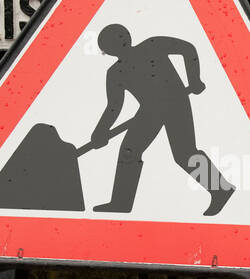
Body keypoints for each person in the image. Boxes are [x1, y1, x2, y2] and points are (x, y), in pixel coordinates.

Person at [88, 23, 235, 215]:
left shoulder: (152, 45)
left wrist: (194, 79)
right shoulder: (115, 73)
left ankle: (221, 190)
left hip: (176, 102)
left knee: (184, 153)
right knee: (129, 151)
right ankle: (121, 203)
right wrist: (100, 132)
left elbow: (187, 49)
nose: (120, 45)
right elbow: (114, 107)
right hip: (149, 111)